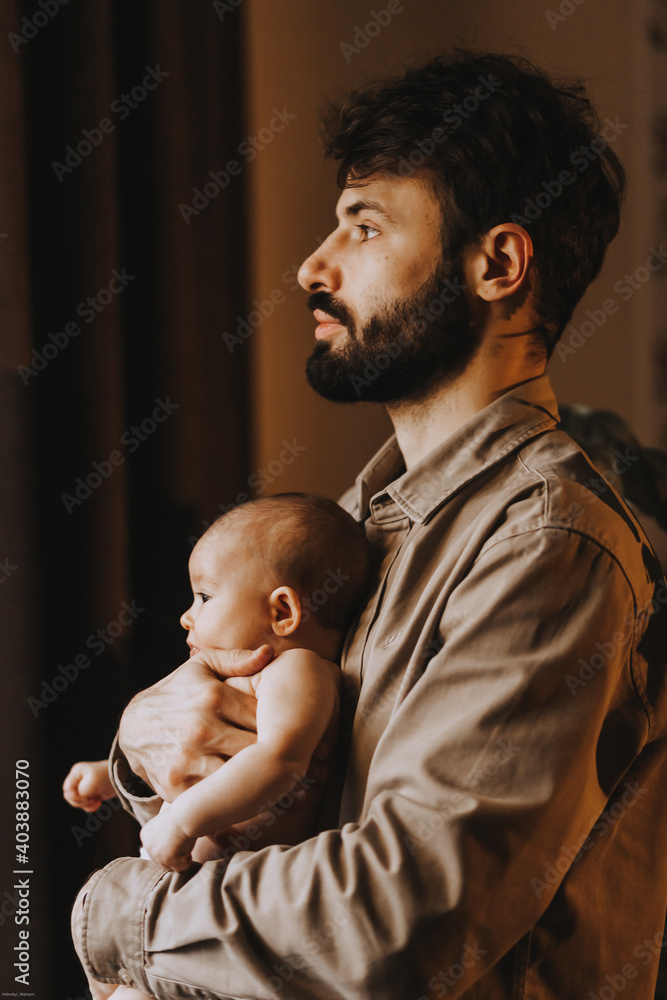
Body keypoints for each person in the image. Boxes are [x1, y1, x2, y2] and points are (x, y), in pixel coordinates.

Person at [73, 51, 667, 1000]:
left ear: (497, 263)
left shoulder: (547, 546)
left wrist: (121, 916)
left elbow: (403, 921)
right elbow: (241, 775)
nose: (311, 265)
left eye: (363, 226)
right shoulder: (349, 533)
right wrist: (145, 747)